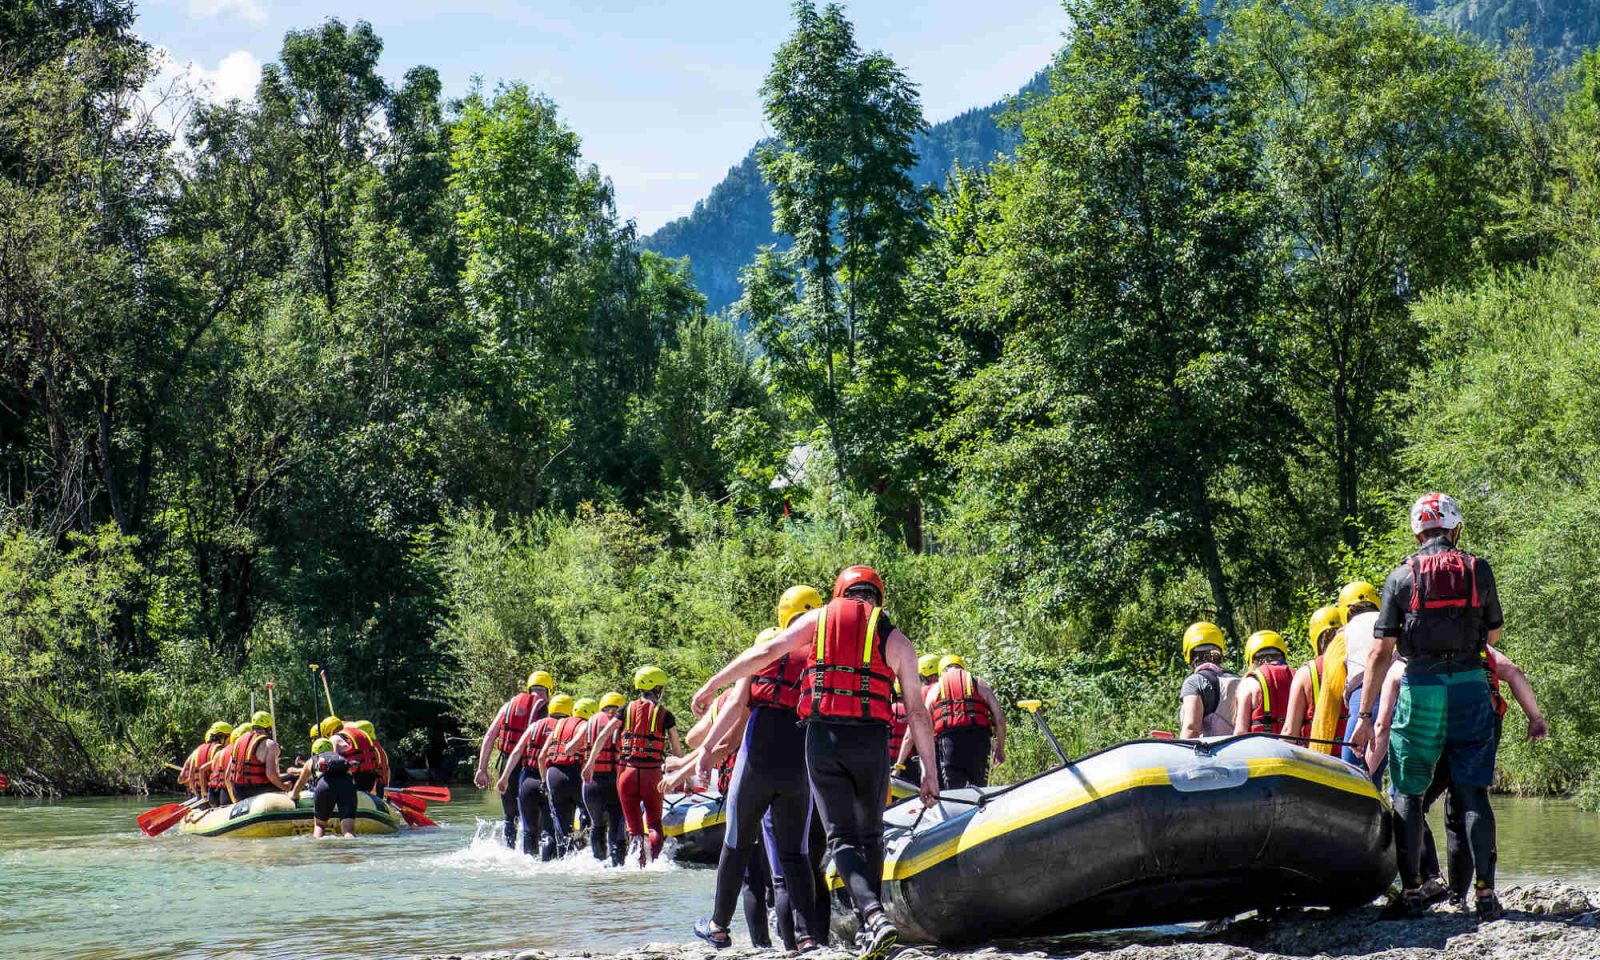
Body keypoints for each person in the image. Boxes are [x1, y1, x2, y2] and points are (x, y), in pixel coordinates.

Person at [691, 565, 939, 960]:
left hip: (823, 740)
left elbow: (765, 654)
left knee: (829, 838)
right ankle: (856, 930)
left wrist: (711, 685)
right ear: (879, 598)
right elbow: (918, 712)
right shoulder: (895, 640)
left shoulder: (817, 621)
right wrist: (929, 770)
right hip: (872, 743)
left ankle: (869, 918)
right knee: (867, 837)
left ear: (840, 593)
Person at [1348, 492, 1506, 921]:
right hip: (1471, 688)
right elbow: (1492, 636)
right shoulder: (1479, 569)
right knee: (1473, 792)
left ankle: (1414, 892)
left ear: (1417, 531)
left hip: (1419, 689)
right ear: (1455, 529)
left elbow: (1381, 654)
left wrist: (1365, 718)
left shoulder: (1401, 576)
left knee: (1409, 793)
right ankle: (1486, 895)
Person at [691, 584, 826, 951]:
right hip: (799, 757)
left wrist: (705, 753)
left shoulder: (766, 650)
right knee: (795, 853)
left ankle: (718, 926)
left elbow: (736, 705)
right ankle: (807, 936)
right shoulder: (821, 658)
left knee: (737, 841)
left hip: (759, 750)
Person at [1370, 645, 1548, 910]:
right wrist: (1535, 716)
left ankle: (1419, 886)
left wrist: (1367, 772)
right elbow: (1513, 672)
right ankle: (1465, 895)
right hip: (1478, 722)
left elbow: (1382, 725)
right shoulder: (1479, 650)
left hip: (1430, 723)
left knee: (1409, 801)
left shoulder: (1410, 658)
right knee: (1463, 804)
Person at [587, 668, 683, 867]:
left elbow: (603, 735)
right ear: (657, 688)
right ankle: (656, 865)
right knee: (655, 824)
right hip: (652, 775)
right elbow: (676, 750)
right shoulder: (665, 715)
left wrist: (590, 764)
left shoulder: (624, 710)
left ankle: (636, 867)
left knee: (635, 830)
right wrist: (685, 776)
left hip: (627, 774)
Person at [475, 670, 553, 849]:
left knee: (510, 816)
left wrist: (482, 769)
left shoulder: (509, 706)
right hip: (531, 768)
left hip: (506, 764)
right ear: (548, 690)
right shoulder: (547, 711)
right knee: (537, 814)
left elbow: (490, 736)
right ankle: (538, 852)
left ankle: (509, 849)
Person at [499, 693, 572, 861]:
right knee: (549, 831)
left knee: (529, 831)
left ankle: (528, 866)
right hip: (549, 781)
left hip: (527, 782)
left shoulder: (534, 726)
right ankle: (547, 868)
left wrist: (504, 777)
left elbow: (517, 752)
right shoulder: (564, 728)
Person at [917, 654, 1006, 789]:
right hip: (979, 741)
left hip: (949, 743)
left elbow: (924, 726)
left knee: (954, 791)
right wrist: (999, 749)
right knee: (980, 788)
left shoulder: (934, 689)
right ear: (962, 667)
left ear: (941, 671)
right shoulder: (979, 683)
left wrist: (926, 763)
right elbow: (999, 719)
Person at [1284, 605, 1345, 746]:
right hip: (1353, 761)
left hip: (1316, 762)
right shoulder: (1357, 666)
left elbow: (1290, 732)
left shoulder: (1305, 673)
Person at [538, 698, 591, 857]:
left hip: (553, 777)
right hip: (576, 775)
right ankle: (584, 852)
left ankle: (564, 858)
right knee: (590, 818)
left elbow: (541, 757)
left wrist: (543, 783)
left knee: (562, 829)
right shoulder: (586, 726)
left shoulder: (558, 726)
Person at [581, 691, 629, 867]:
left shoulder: (589, 723)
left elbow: (570, 748)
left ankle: (598, 864)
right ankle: (618, 866)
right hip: (614, 781)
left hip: (591, 784)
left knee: (597, 825)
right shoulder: (622, 723)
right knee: (617, 825)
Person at [1178, 622, 1239, 738]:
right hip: (1242, 753)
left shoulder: (1194, 682)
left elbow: (1191, 729)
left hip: (1211, 754)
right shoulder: (1239, 680)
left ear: (1189, 654)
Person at [289, 737, 357, 838]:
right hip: (347, 785)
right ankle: (352, 849)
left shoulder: (312, 761)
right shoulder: (341, 759)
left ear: (314, 751)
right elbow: (351, 778)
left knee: (320, 825)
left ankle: (319, 851)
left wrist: (293, 796)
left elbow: (301, 783)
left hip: (325, 786)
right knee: (348, 830)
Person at [1233, 631, 1294, 735]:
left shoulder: (1249, 683)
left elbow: (1240, 731)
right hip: (1296, 749)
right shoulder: (1297, 676)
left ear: (1250, 658)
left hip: (1260, 749)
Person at [225, 711, 288, 801]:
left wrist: (234, 801)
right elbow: (271, 775)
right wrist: (285, 787)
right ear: (269, 728)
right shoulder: (270, 744)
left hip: (238, 792)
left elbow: (227, 777)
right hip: (257, 791)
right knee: (291, 778)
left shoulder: (238, 742)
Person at [181, 722, 232, 804]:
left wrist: (197, 793)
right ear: (223, 737)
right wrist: (204, 792)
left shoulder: (197, 750)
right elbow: (203, 769)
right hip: (214, 793)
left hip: (201, 792)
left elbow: (190, 776)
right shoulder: (219, 751)